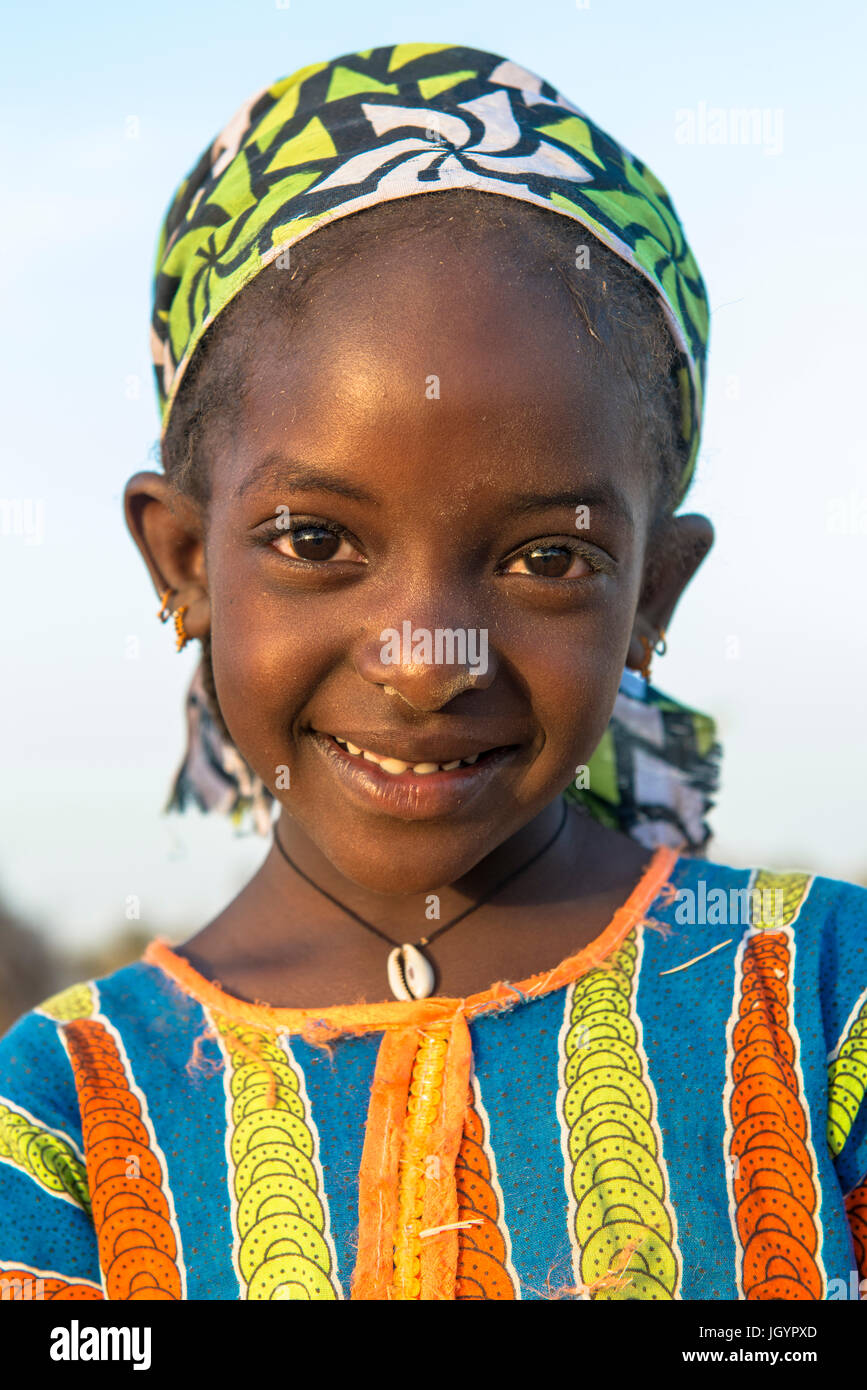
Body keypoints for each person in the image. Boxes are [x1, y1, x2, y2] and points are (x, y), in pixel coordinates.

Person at [0, 42, 864, 1303]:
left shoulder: (823, 1001)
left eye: (547, 556)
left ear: (654, 594)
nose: (424, 663)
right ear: (182, 559)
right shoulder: (64, 1112)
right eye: (316, 539)